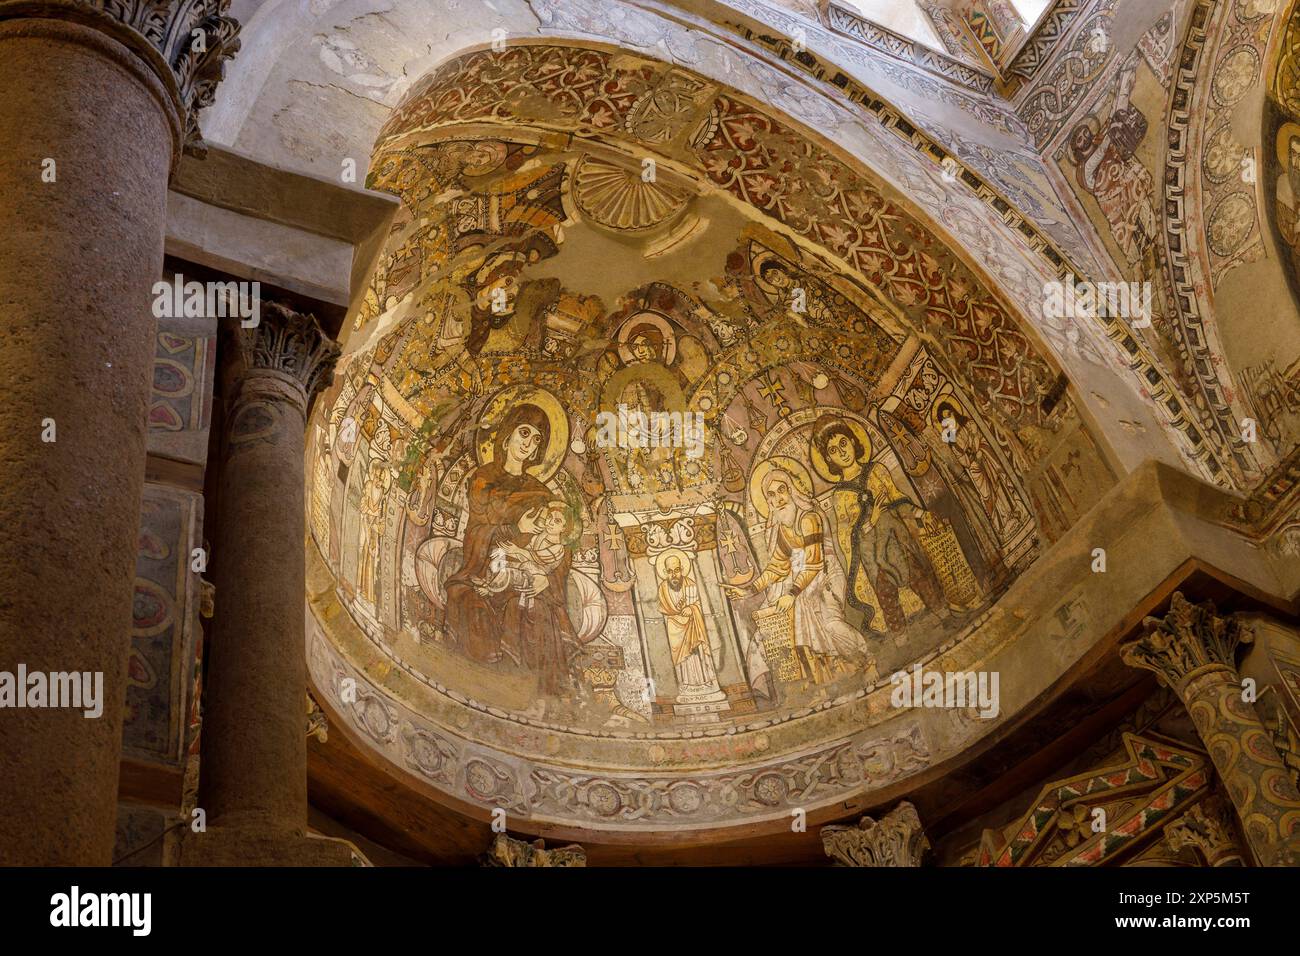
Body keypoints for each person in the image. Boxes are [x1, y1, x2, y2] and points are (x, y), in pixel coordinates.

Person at [444, 404, 580, 696]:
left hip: (528, 575)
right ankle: (484, 690)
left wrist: (548, 577)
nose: (528, 444)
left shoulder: (542, 493)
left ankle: (542, 696)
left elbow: (561, 544)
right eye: (524, 433)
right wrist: (516, 529)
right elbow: (476, 530)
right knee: (471, 604)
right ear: (507, 437)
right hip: (484, 569)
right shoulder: (483, 479)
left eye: (535, 441)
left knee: (538, 611)